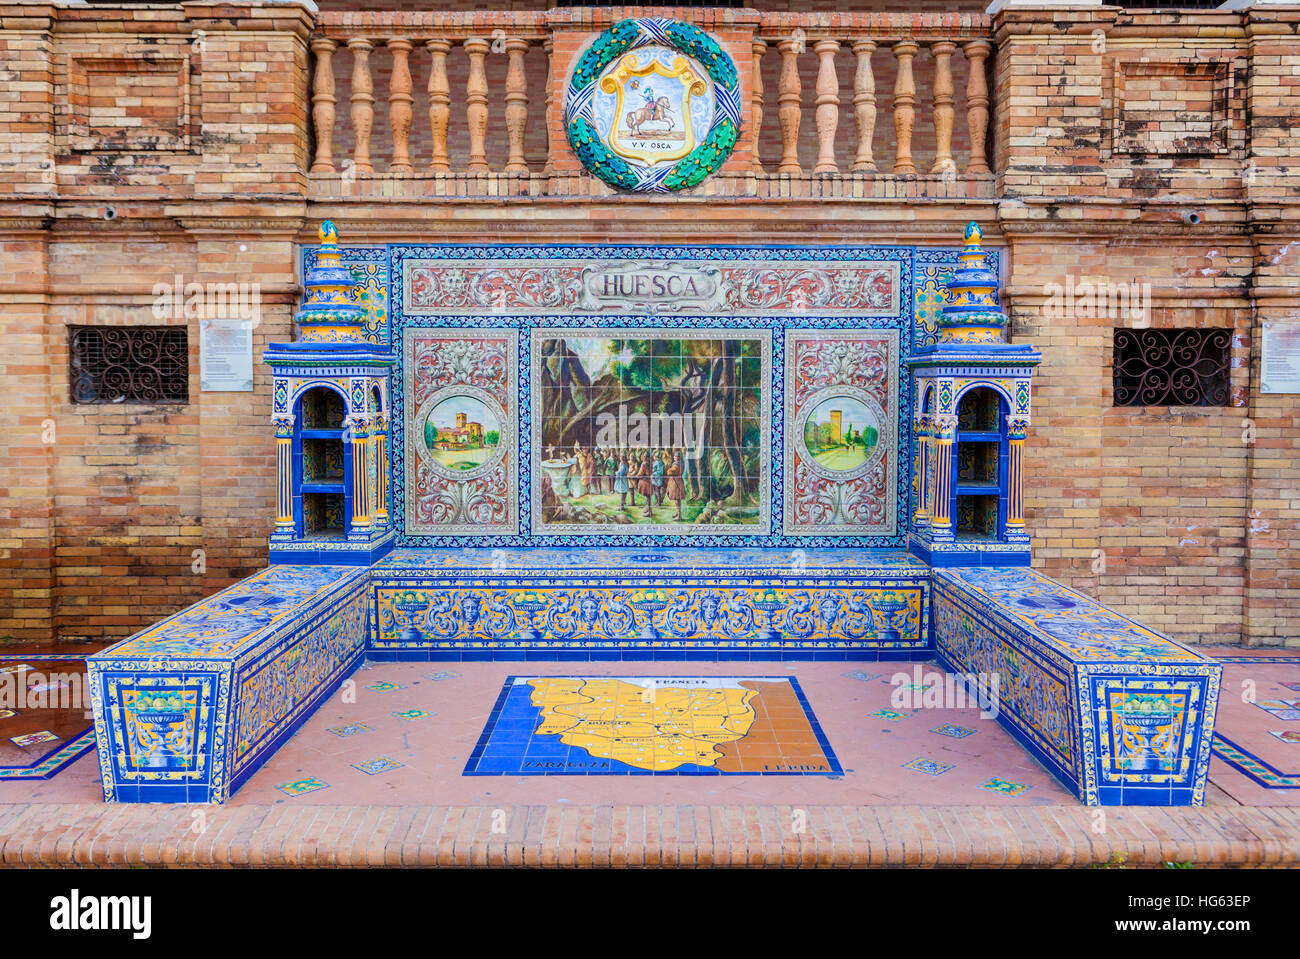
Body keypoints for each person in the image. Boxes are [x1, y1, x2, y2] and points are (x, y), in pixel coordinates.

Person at [665, 450, 686, 520]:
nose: (674, 457)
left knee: (677, 499)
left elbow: (670, 472)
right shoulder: (680, 464)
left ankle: (679, 516)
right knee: (677, 500)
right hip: (678, 482)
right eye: (674, 456)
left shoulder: (676, 465)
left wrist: (668, 470)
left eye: (676, 456)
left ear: (679, 457)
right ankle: (678, 513)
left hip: (676, 483)